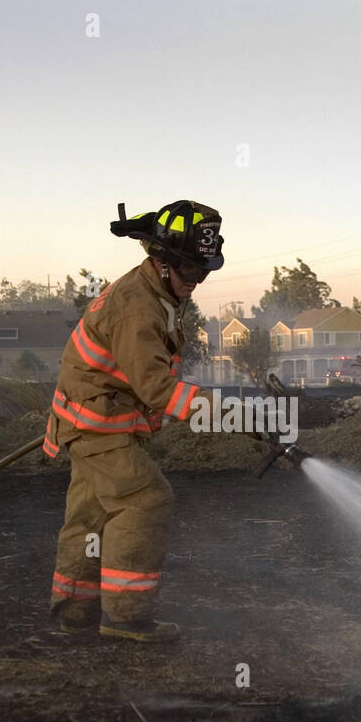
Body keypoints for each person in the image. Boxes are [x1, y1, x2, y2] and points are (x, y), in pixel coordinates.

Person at [43, 200, 224, 642]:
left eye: (203, 272)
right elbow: (156, 388)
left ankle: (75, 611)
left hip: (89, 416)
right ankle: (127, 618)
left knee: (91, 516)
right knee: (145, 500)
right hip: (98, 421)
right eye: (189, 272)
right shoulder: (138, 308)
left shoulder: (154, 290)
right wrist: (223, 412)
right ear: (162, 261)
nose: (195, 282)